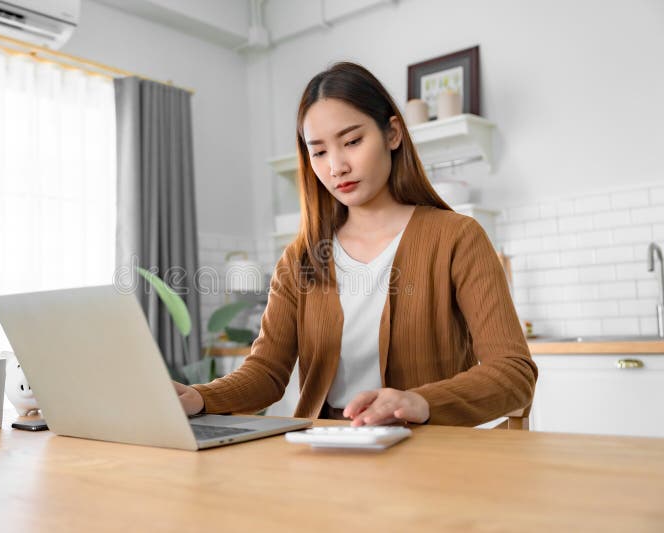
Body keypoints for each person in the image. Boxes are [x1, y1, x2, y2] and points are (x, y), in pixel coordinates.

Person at [174, 62, 537, 427]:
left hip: (429, 455)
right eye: (318, 152)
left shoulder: (457, 238)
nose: (337, 166)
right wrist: (200, 397)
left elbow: (513, 373)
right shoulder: (300, 258)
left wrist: (420, 401)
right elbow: (267, 373)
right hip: (325, 453)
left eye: (352, 142)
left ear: (392, 134)